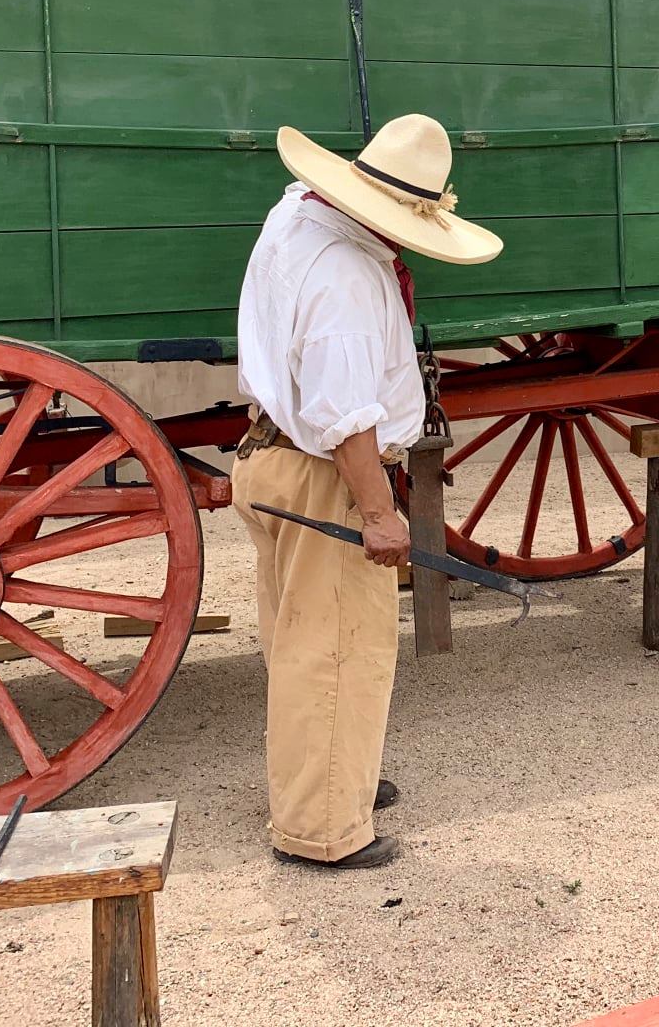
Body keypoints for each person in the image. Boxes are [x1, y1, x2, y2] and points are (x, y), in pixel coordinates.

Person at [232, 114, 502, 868]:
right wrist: (379, 514)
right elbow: (346, 415)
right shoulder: (349, 279)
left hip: (269, 456)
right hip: (324, 478)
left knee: (300, 644)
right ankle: (322, 830)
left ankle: (326, 780)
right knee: (340, 651)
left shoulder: (295, 214)